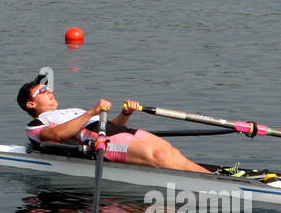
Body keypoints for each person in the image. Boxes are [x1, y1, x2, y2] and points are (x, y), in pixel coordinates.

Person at [16, 74, 209, 173]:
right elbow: (57, 136)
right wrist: (92, 111)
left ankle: (211, 177)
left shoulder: (69, 111)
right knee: (161, 155)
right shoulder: (37, 123)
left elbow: (106, 124)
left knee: (171, 153)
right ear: (31, 104)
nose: (49, 91)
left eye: (48, 88)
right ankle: (216, 183)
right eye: (42, 91)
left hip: (116, 131)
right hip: (102, 142)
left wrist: (124, 115)